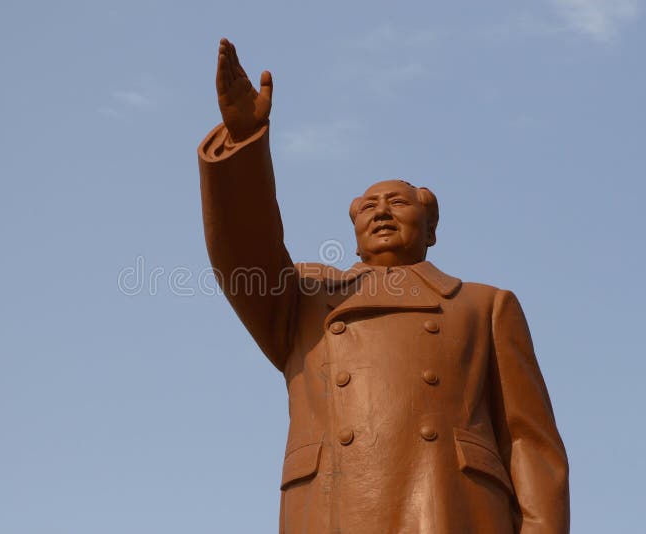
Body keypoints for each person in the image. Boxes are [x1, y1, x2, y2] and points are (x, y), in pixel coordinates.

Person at [198, 38, 569, 534]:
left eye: (398, 202)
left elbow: (529, 442)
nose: (382, 211)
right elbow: (244, 251)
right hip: (332, 506)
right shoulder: (304, 296)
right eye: (369, 207)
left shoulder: (485, 305)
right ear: (353, 235)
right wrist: (245, 139)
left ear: (431, 228)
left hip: (451, 508)